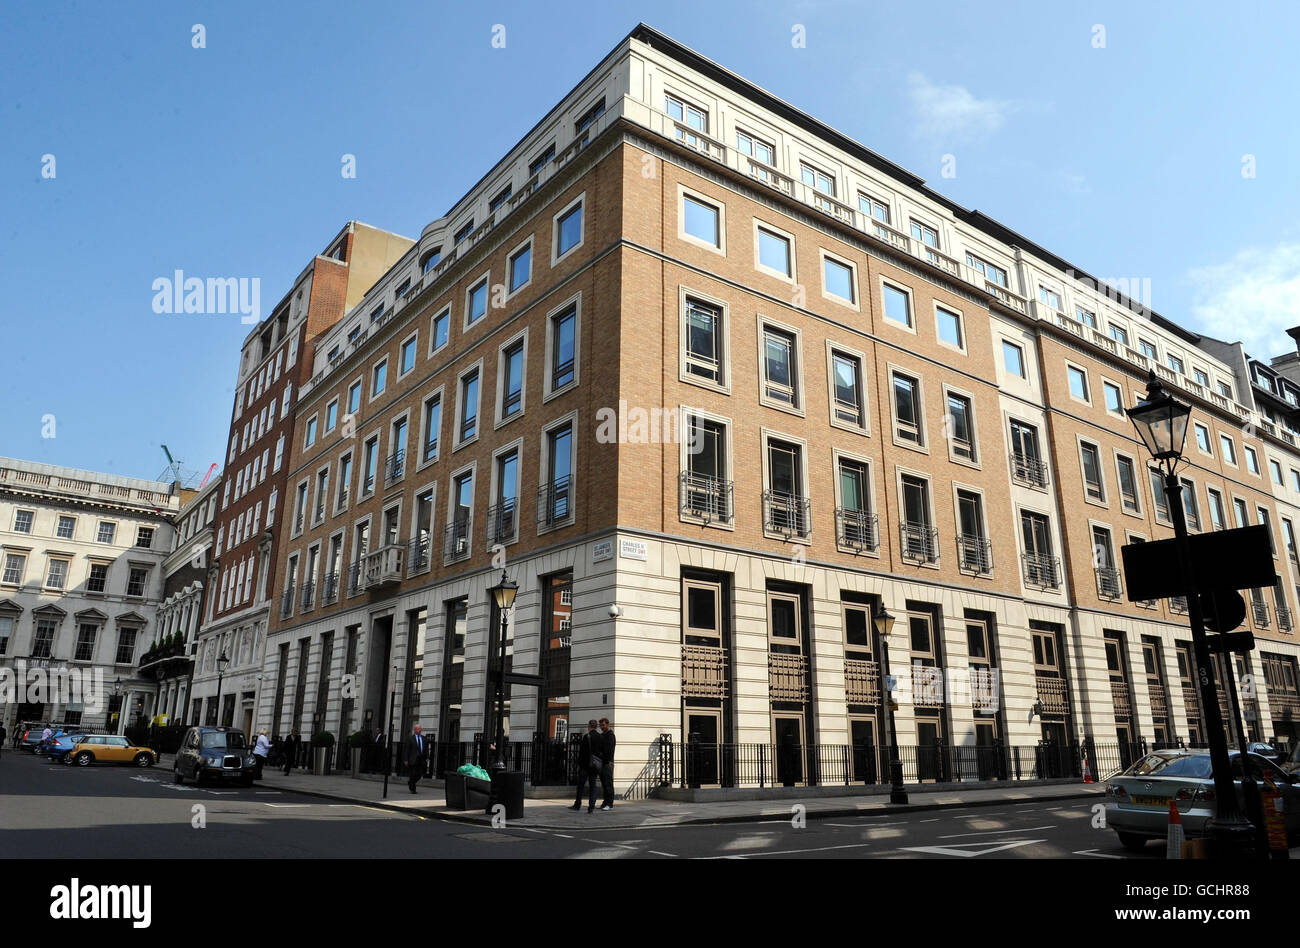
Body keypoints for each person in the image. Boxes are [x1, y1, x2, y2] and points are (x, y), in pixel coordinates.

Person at [569, 720, 600, 813]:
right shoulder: (600, 737)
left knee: (581, 785)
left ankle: (577, 804)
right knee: (593, 786)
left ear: (589, 726)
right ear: (596, 726)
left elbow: (582, 752)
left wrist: (579, 764)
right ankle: (591, 807)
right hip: (595, 765)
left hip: (585, 765)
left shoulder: (587, 736)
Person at [404, 724, 429, 793]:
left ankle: (411, 782)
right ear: (415, 730)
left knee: (420, 774)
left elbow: (426, 749)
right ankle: (413, 789)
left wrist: (427, 757)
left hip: (421, 759)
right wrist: (406, 759)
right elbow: (407, 750)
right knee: (413, 774)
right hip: (413, 759)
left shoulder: (424, 738)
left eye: (420, 729)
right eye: (418, 729)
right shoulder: (410, 739)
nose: (420, 730)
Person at [597, 718, 616, 810]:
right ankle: (605, 802)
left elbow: (610, 750)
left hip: (608, 762)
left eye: (603, 725)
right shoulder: (602, 735)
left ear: (608, 724)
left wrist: (607, 760)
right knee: (604, 783)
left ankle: (609, 803)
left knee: (608, 783)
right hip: (602, 762)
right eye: (600, 725)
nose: (602, 727)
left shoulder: (610, 735)